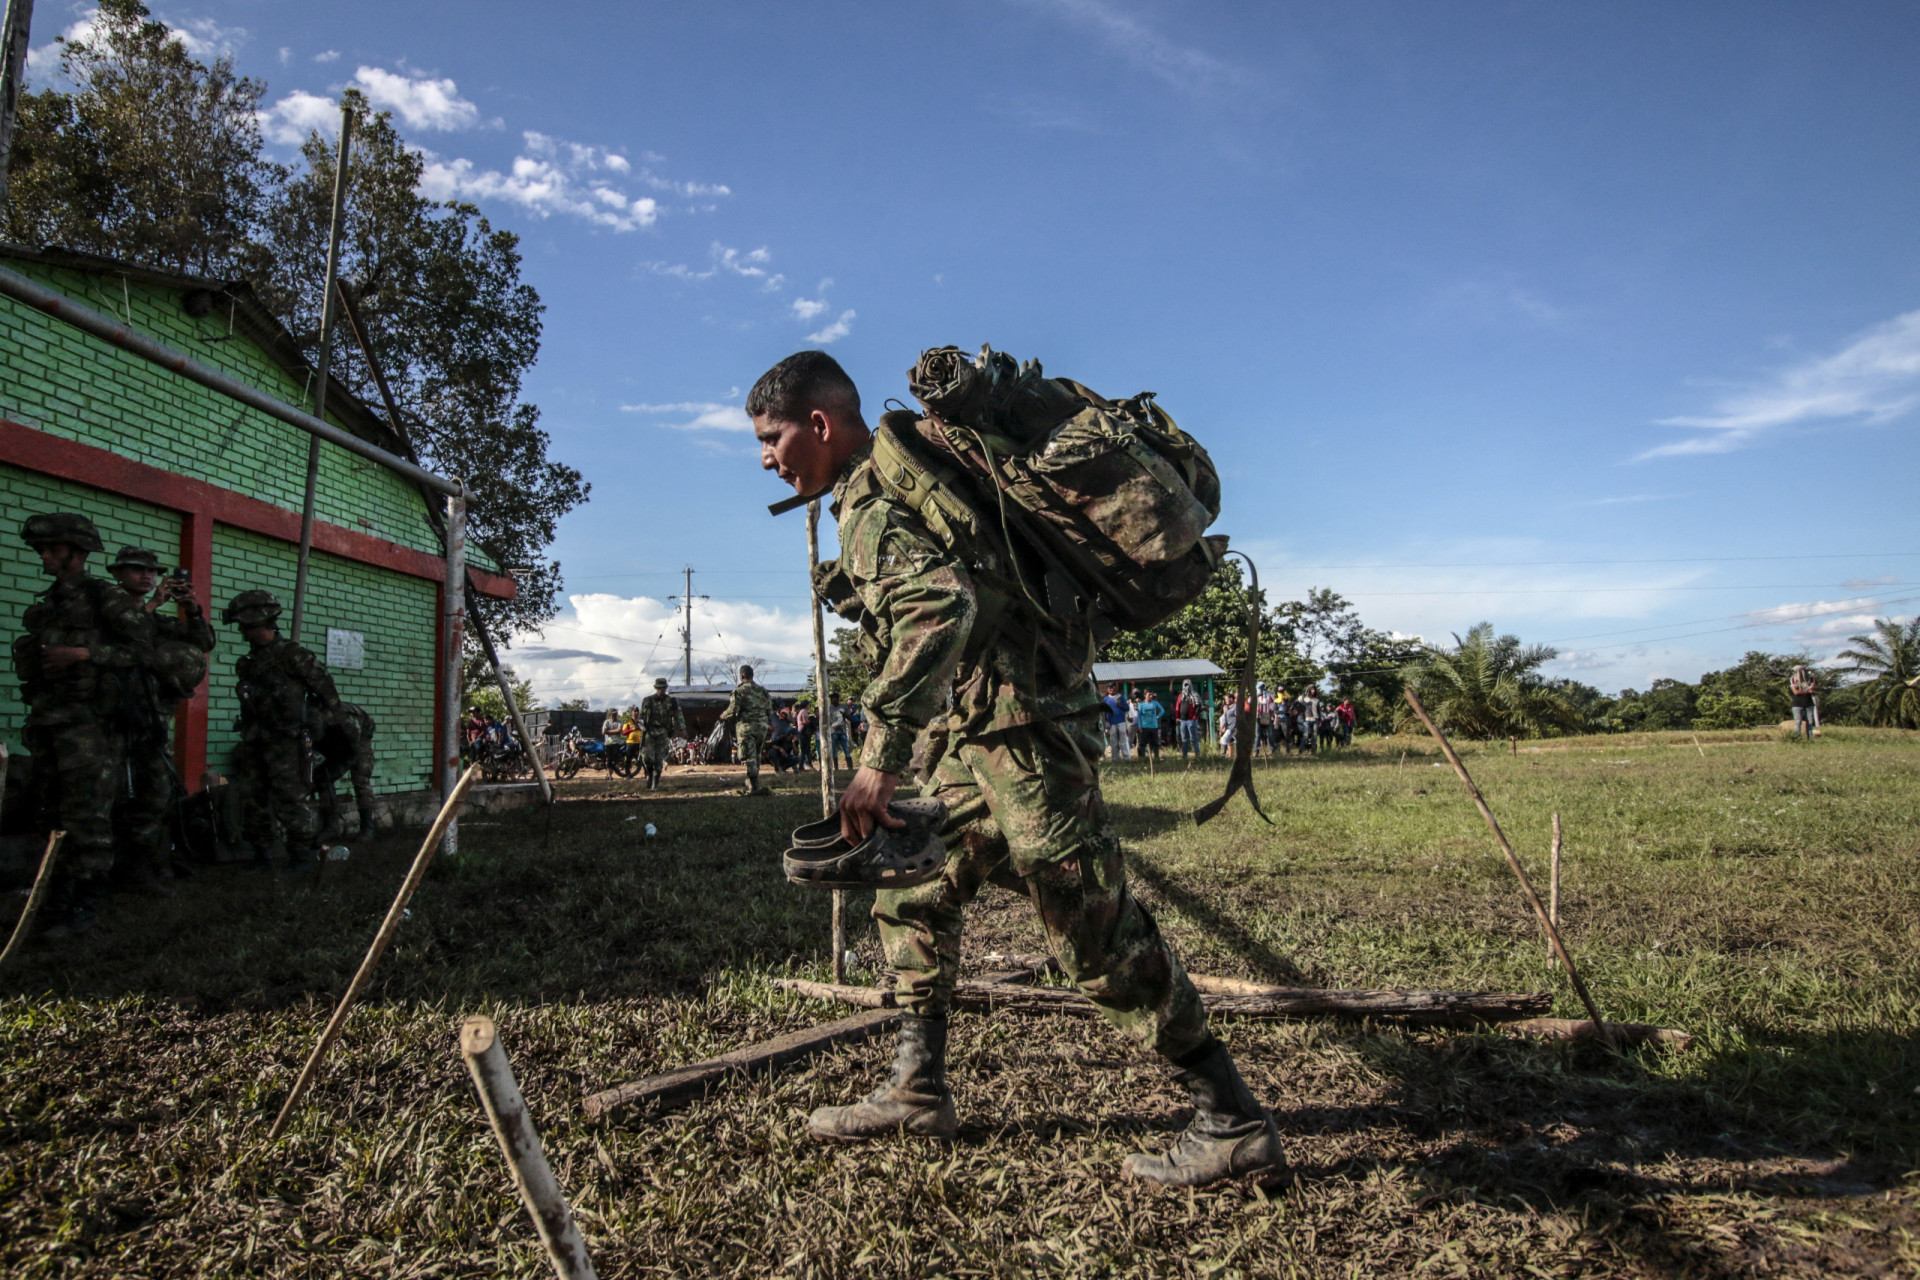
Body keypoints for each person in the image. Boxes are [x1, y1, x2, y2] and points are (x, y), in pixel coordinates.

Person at [750, 350, 1280, 1187]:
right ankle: (917, 1089)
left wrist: (879, 762)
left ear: (820, 424)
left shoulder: (872, 501)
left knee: (1091, 926)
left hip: (1024, 733)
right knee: (914, 883)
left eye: (772, 437)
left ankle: (1232, 1119)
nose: (767, 458)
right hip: (987, 732)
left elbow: (937, 608)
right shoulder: (902, 474)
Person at [12, 514, 153, 934]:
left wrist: (83, 654)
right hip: (49, 723)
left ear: (76, 553)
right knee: (51, 815)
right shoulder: (50, 601)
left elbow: (143, 650)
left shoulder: (103, 597)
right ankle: (52, 902)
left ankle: (84, 909)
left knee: (88, 819)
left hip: (90, 727)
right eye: (43, 549)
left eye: (53, 549)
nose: (45, 555)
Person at [108, 545, 215, 891]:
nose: (147, 576)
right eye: (137, 569)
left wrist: (191, 608)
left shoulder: (159, 621)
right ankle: (116, 870)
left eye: (152, 571)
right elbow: (125, 634)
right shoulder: (108, 610)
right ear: (117, 574)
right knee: (112, 796)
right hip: (112, 720)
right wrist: (153, 603)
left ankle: (149, 865)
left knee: (156, 794)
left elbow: (204, 643)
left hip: (153, 720)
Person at [222, 590, 340, 871]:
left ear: (257, 624)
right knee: (253, 798)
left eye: (244, 626)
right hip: (255, 739)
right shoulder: (249, 663)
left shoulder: (293, 655)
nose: (241, 632)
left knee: (290, 799)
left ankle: (301, 856)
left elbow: (327, 695)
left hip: (287, 740)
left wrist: (312, 728)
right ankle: (262, 854)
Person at [315, 702, 378, 841]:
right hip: (339, 740)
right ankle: (331, 827)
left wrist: (339, 765)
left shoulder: (343, 718)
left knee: (361, 779)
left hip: (361, 737)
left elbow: (352, 751)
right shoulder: (308, 722)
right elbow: (311, 745)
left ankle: (368, 828)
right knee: (323, 777)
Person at [722, 663, 774, 794]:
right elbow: (769, 709)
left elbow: (733, 710)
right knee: (756, 754)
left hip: (746, 726)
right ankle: (752, 781)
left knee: (747, 755)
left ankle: (754, 785)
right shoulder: (762, 691)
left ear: (742, 676)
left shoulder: (739, 691)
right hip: (761, 727)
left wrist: (723, 716)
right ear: (752, 675)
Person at [637, 676, 685, 790]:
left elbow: (678, 715)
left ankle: (655, 782)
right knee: (647, 757)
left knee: (659, 759)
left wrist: (682, 729)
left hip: (663, 731)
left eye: (663, 688)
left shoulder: (671, 701)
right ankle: (649, 774)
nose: (661, 690)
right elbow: (642, 716)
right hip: (649, 731)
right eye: (659, 688)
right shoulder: (647, 700)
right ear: (656, 688)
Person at [1174, 678, 1204, 758]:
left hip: (1192, 720)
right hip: (1183, 721)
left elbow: (1199, 706)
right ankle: (1184, 755)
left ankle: (1197, 755)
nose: (1186, 686)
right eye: (1185, 684)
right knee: (1184, 739)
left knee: (1194, 739)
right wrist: (1177, 717)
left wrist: (1195, 716)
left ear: (1190, 685)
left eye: (1188, 684)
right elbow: (1177, 707)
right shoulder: (1180, 696)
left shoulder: (1195, 694)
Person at [1788, 665, 1819, 741]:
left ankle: (1810, 739)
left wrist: (1804, 691)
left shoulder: (1811, 679)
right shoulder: (1793, 679)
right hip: (1797, 704)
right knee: (1798, 722)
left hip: (1809, 703)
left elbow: (1811, 690)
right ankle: (1797, 738)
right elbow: (1796, 692)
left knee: (1810, 722)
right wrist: (1807, 691)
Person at [1134, 688, 1165, 762]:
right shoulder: (1141, 704)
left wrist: (1157, 717)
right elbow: (1139, 716)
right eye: (1149, 694)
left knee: (1155, 743)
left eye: (1152, 694)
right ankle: (1143, 759)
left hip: (1154, 726)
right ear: (1145, 695)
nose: (1151, 696)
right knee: (1142, 744)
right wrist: (1140, 726)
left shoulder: (1155, 703)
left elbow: (1162, 710)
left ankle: (1156, 758)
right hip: (1144, 726)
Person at [1102, 685, 1131, 761]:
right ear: (1107, 689)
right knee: (1114, 742)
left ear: (1116, 688)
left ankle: (1127, 758)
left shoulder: (1120, 697)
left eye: (1113, 687)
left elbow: (1127, 708)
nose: (1112, 689)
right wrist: (1106, 725)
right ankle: (1115, 759)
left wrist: (1119, 704)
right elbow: (1104, 712)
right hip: (1111, 723)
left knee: (1123, 741)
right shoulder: (1105, 699)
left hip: (1121, 722)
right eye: (1110, 688)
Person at [830, 702, 855, 770]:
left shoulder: (843, 707)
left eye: (834, 698)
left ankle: (850, 767)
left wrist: (844, 714)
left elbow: (850, 718)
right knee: (834, 750)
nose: (833, 700)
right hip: (833, 732)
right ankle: (836, 767)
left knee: (846, 749)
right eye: (832, 699)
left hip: (842, 732)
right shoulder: (830, 708)